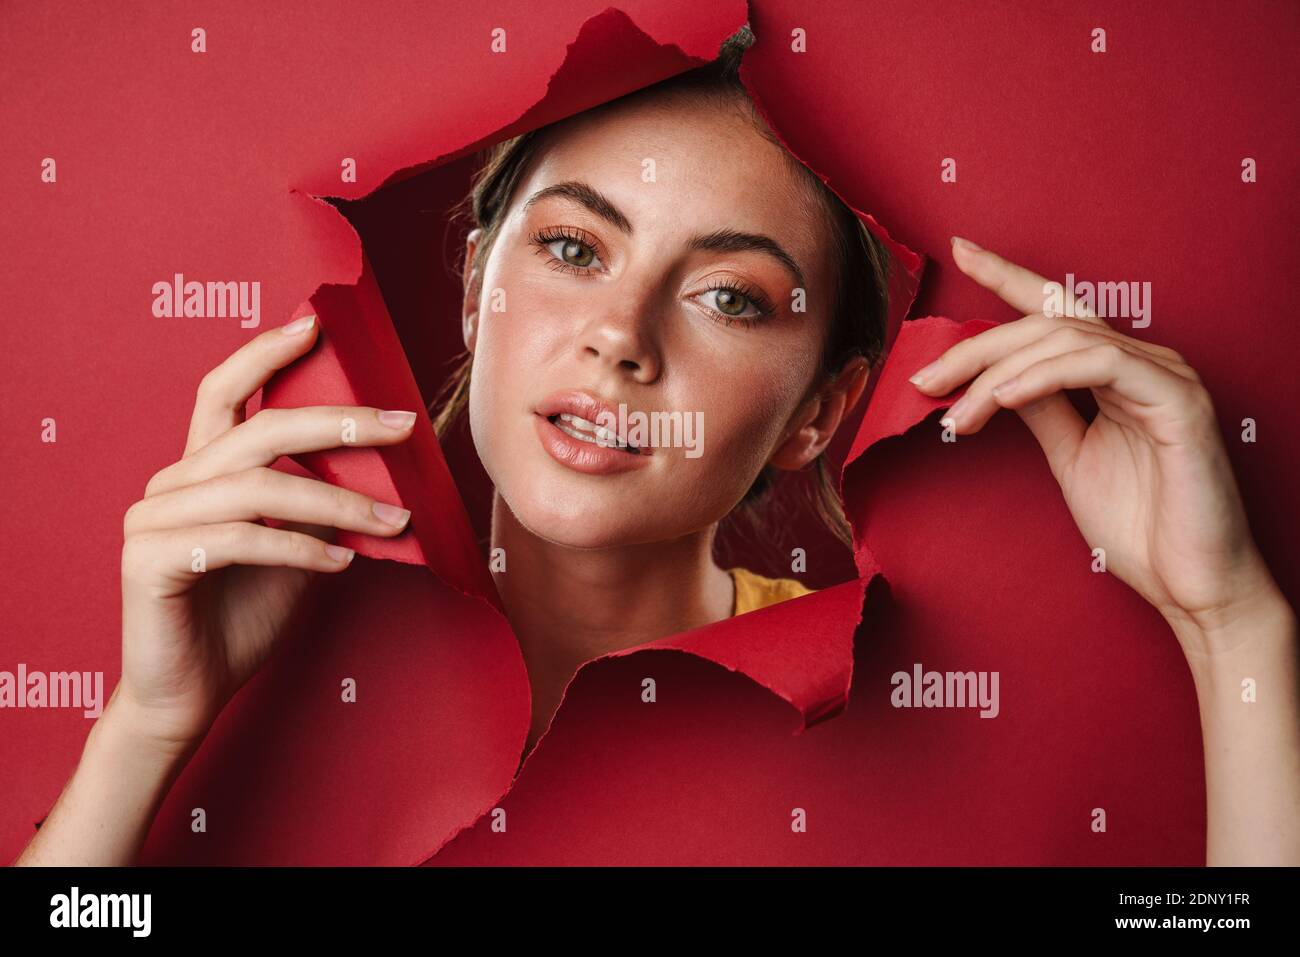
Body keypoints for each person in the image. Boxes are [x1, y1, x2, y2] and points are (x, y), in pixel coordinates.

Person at [14, 27, 1297, 867]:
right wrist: (148, 728)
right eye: (573, 251)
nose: (619, 338)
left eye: (729, 296)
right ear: (476, 289)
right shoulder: (317, 670)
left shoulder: (906, 734)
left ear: (816, 412)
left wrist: (1231, 626)